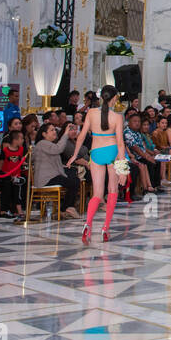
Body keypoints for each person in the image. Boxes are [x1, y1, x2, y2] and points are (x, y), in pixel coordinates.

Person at [71, 84, 126, 243]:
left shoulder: (91, 113)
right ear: (114, 98)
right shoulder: (117, 117)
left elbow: (81, 136)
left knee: (97, 194)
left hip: (95, 153)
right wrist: (122, 168)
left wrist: (74, 155)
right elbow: (121, 144)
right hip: (112, 151)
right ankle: (105, 228)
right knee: (113, 190)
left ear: (102, 97)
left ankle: (88, 224)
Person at [31, 122, 82, 219]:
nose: (55, 132)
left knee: (73, 176)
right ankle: (66, 208)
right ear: (44, 134)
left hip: (52, 176)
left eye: (55, 129)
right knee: (73, 181)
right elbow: (58, 149)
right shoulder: (42, 143)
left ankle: (66, 208)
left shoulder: (48, 144)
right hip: (46, 178)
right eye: (51, 130)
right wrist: (66, 133)